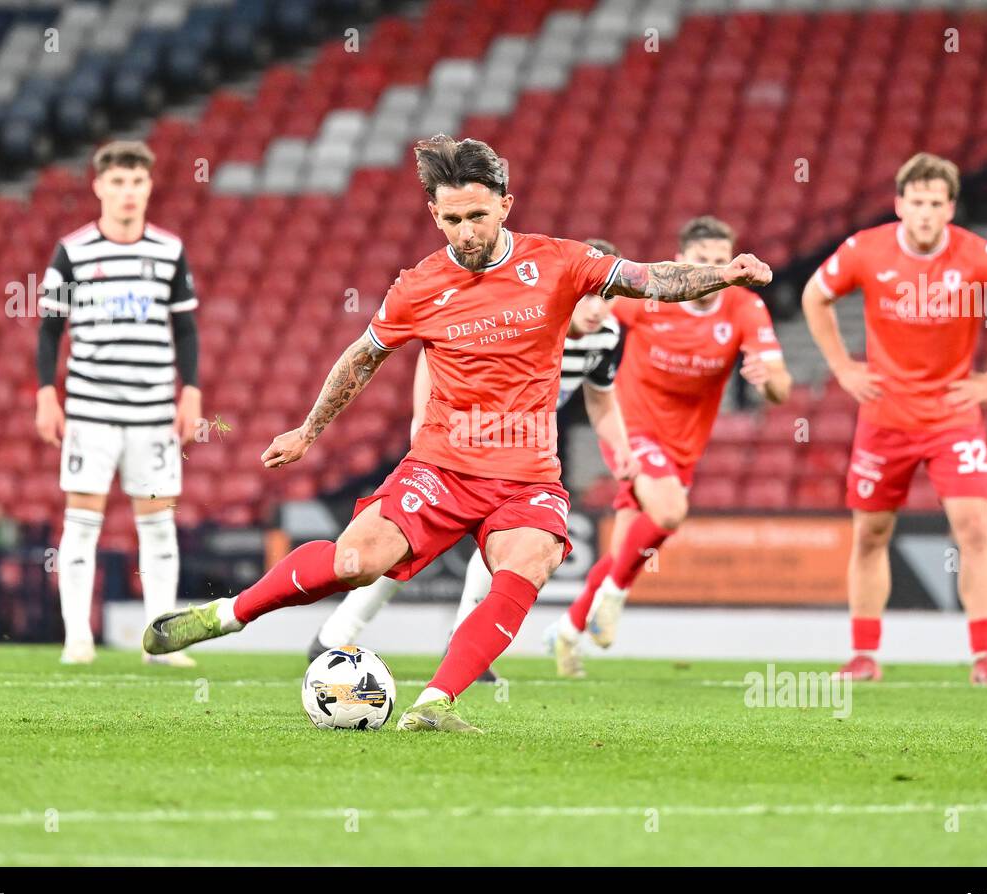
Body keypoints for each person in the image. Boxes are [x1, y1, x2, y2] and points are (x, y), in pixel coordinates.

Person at [144, 135, 771, 732]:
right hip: (441, 465)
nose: (465, 234)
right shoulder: (420, 284)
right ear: (433, 215)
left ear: (505, 204)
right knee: (356, 563)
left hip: (526, 474)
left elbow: (648, 279)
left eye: (476, 216)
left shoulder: (557, 261)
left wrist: (724, 276)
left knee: (531, 558)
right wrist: (309, 431)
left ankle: (434, 702)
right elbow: (362, 357)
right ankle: (224, 615)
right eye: (451, 221)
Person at [303, 239, 639, 682]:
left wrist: (621, 453)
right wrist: (422, 422)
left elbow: (601, 401)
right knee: (406, 538)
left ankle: (462, 639)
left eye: (608, 297)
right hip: (458, 438)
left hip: (521, 452)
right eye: (590, 296)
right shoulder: (529, 309)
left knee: (503, 539)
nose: (597, 309)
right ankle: (338, 631)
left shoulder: (607, 338)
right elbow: (438, 354)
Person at [801, 152, 987, 685]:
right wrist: (843, 367)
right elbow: (814, 296)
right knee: (870, 535)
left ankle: (985, 657)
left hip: (951, 418)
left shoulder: (977, 256)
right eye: (917, 203)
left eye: (936, 204)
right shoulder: (866, 249)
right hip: (883, 418)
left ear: (951, 207)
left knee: (974, 531)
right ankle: (864, 655)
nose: (926, 214)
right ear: (899, 204)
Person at [547, 216, 791, 674]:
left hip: (685, 445)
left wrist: (767, 382)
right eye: (703, 262)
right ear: (680, 262)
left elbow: (781, 387)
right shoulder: (651, 298)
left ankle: (567, 630)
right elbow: (588, 311)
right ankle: (616, 595)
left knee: (624, 550)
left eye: (723, 261)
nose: (715, 271)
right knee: (671, 512)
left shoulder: (743, 307)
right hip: (632, 428)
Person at [35, 140, 202, 667]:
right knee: (81, 521)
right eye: (118, 182)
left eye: (137, 182)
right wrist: (46, 394)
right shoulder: (73, 250)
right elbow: (49, 330)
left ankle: (161, 643)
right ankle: (77, 638)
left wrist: (191, 391)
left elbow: (186, 328)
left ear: (149, 186)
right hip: (89, 409)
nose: (128, 192)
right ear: (99, 186)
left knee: (157, 523)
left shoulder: (169, 251)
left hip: (153, 411)